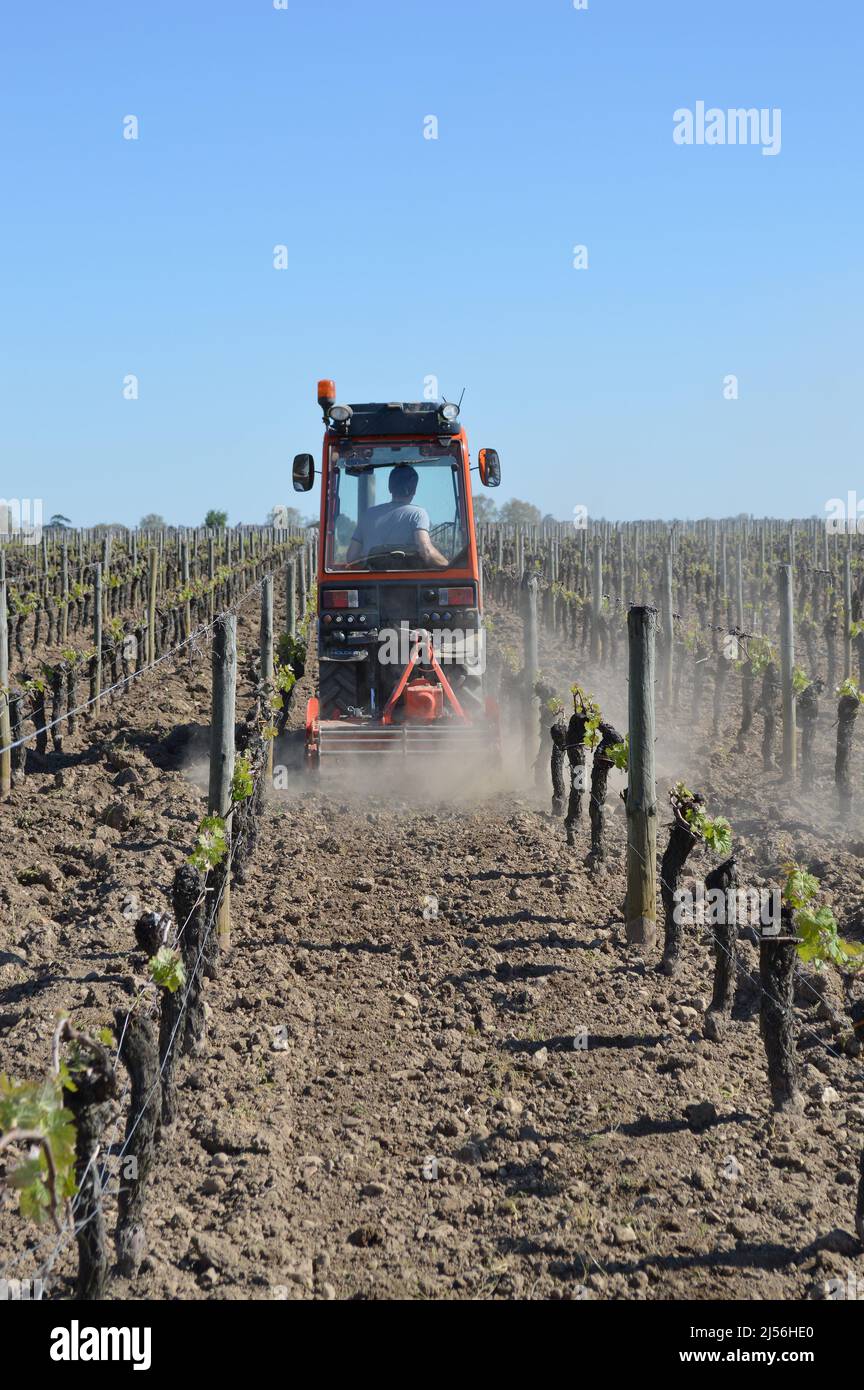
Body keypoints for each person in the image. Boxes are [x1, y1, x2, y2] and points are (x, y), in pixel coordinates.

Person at [346, 464, 448, 568]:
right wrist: (449, 567)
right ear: (414, 490)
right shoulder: (417, 514)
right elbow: (426, 551)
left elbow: (351, 557)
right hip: (406, 577)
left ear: (390, 488)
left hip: (371, 577)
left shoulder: (368, 514)